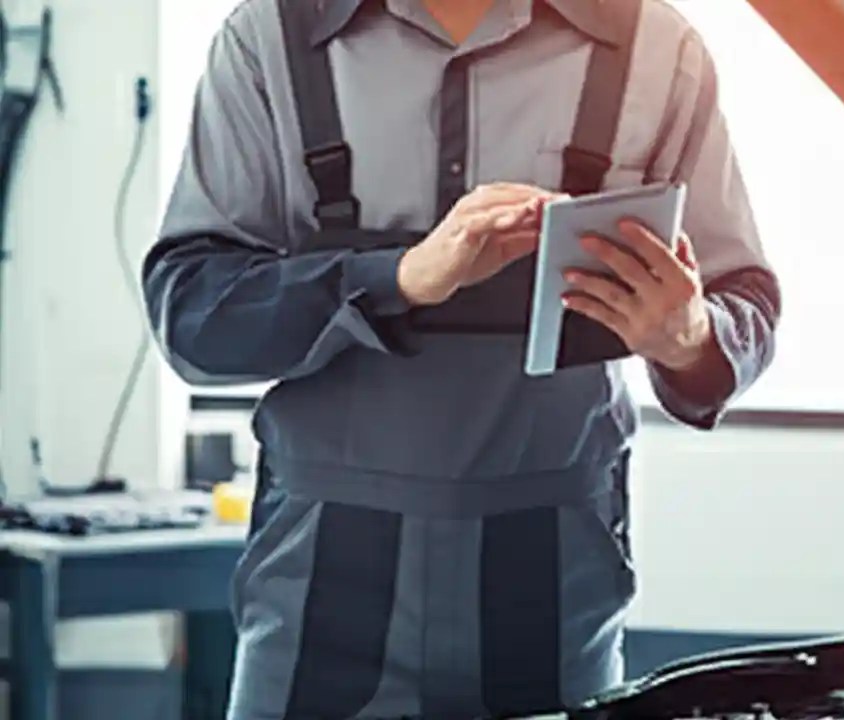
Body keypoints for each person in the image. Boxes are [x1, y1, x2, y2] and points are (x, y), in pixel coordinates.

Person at [144, 0, 780, 717]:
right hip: (323, 573)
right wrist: (399, 277)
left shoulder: (657, 48)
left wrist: (688, 335)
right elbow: (194, 312)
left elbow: (745, 301)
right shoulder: (271, 38)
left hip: (551, 573)